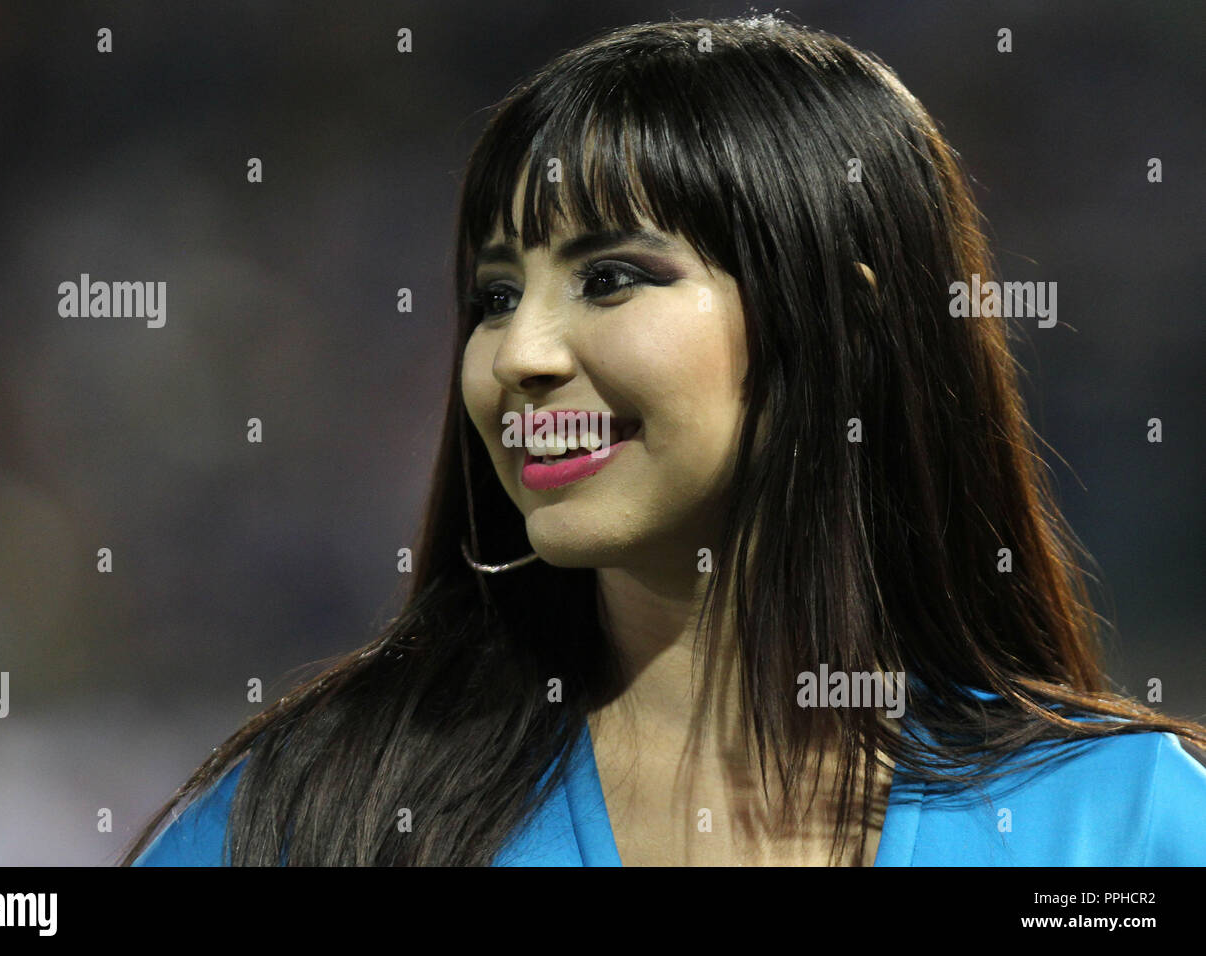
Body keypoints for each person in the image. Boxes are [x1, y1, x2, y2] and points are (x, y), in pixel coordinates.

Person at [124, 15, 1206, 867]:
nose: (518, 355)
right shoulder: (326, 811)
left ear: (845, 320)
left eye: (610, 277)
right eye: (495, 294)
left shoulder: (1112, 823)